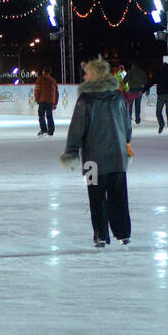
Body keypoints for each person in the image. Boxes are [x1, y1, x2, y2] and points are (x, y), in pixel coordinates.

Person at [60, 57, 134, 248]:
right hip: (117, 158)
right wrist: (126, 145)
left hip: (93, 160)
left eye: (87, 73)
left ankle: (101, 234)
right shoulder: (118, 97)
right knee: (119, 196)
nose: (84, 76)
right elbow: (127, 126)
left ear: (95, 75)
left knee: (96, 197)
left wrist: (71, 153)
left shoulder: (86, 100)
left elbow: (77, 129)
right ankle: (123, 233)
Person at [35, 66, 58, 137]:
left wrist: (37, 99)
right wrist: (55, 103)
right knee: (49, 116)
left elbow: (37, 90)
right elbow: (56, 93)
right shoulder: (53, 80)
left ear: (43, 71)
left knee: (41, 115)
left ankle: (44, 130)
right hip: (50, 101)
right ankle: (51, 131)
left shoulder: (40, 79)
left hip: (42, 100)